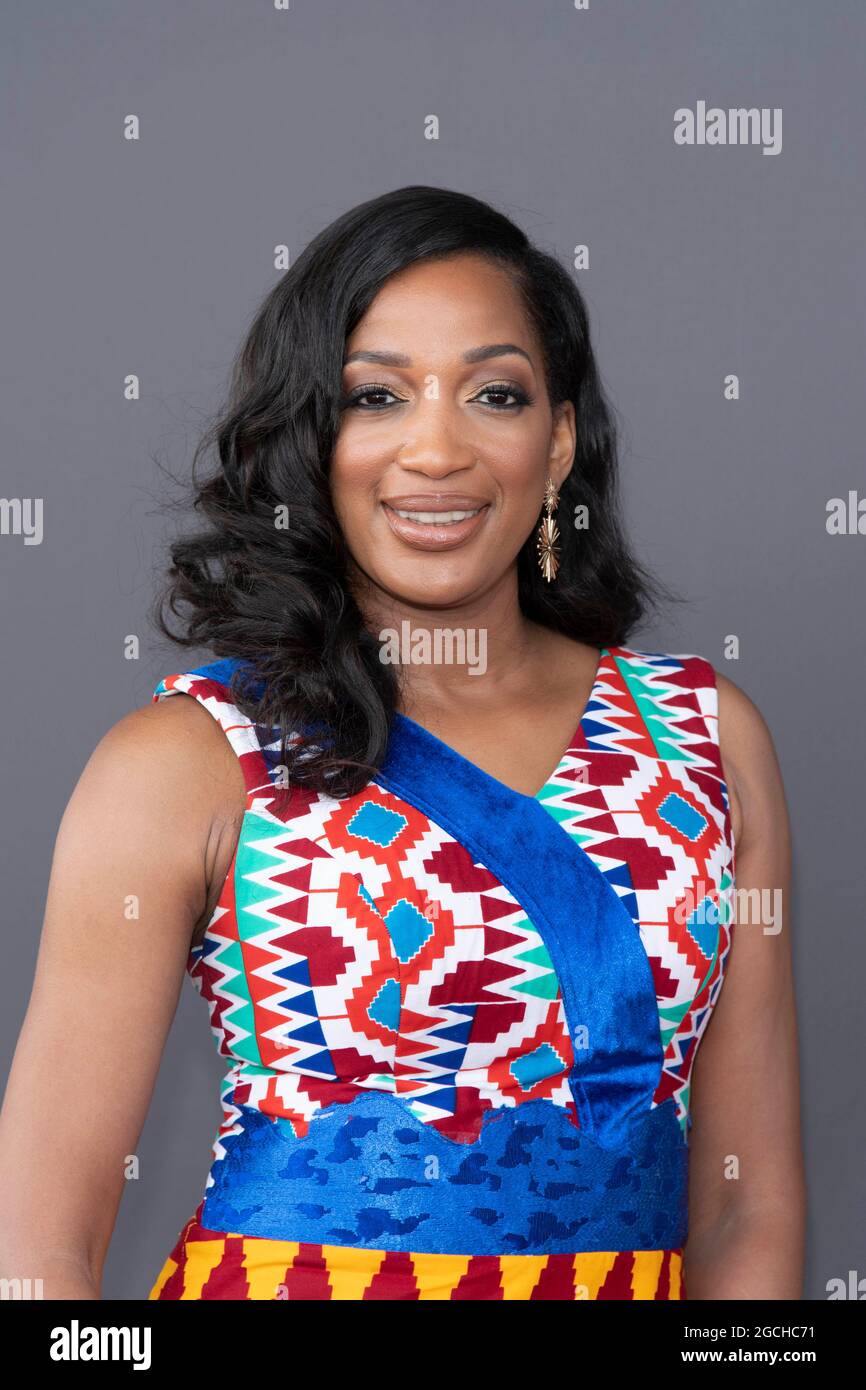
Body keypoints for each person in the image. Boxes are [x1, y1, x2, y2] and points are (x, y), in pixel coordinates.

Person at [0, 185, 805, 1300]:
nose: (435, 449)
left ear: (557, 442)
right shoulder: (190, 758)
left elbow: (743, 1209)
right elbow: (38, 1254)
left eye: (493, 394)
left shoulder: (702, 741)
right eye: (376, 396)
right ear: (312, 440)